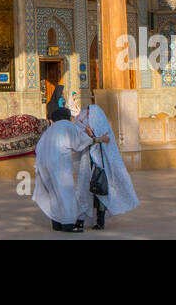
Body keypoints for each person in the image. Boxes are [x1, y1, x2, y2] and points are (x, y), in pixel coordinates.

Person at [76, 96, 139, 230]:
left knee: (100, 193)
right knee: (83, 192)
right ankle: (81, 221)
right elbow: (81, 141)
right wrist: (88, 133)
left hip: (99, 166)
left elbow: (102, 142)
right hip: (87, 165)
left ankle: (100, 221)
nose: (85, 116)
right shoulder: (85, 127)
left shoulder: (101, 127)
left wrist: (92, 135)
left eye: (88, 114)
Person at [32, 107, 95, 232]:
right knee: (66, 194)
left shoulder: (50, 130)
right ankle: (68, 224)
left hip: (45, 165)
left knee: (54, 195)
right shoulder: (67, 125)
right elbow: (79, 142)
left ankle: (57, 223)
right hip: (59, 166)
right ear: (66, 116)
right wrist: (94, 138)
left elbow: (39, 147)